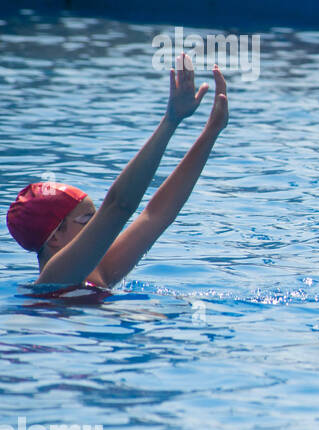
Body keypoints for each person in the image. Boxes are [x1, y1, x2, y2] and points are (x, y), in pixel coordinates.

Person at [8, 59, 228, 291]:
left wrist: (211, 132)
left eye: (96, 216)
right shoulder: (56, 277)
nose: (100, 223)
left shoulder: (99, 271)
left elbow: (156, 215)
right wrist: (170, 122)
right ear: (55, 237)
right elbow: (118, 206)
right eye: (88, 219)